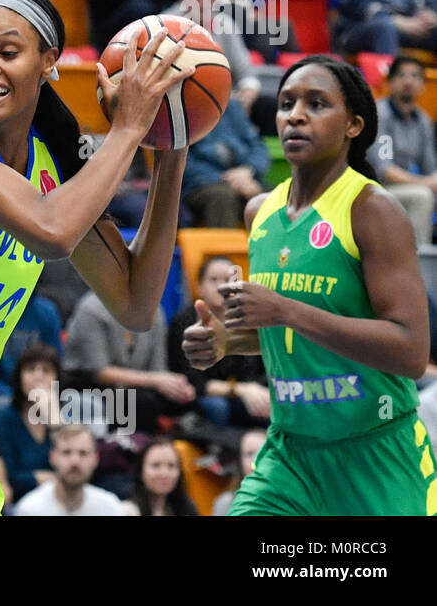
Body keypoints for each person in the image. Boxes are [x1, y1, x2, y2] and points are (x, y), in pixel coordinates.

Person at [0, 0, 195, 515]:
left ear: (49, 62)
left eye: (7, 52)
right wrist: (127, 127)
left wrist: (169, 146)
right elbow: (50, 233)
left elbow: (135, 304)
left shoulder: (51, 165)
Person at [183, 56, 434, 515]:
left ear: (354, 125)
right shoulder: (259, 211)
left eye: (316, 104)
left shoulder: (372, 210)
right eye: (286, 103)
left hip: (375, 454)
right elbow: (286, 334)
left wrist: (284, 311)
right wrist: (228, 340)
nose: (295, 115)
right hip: (290, 456)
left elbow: (411, 352)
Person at [63, 289, 194, 431]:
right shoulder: (91, 309)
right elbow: (99, 371)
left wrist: (177, 386)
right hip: (91, 385)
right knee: (141, 402)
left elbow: (158, 370)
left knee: (188, 399)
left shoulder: (154, 312)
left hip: (139, 386)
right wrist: (156, 380)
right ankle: (135, 448)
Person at [166, 256, 270, 428]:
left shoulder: (249, 320)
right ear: (199, 287)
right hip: (201, 397)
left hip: (245, 394)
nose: (221, 286)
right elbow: (190, 379)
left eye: (228, 280)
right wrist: (240, 390)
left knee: (269, 400)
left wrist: (253, 390)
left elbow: (257, 372)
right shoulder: (184, 321)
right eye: (213, 280)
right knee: (217, 407)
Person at [164, 0, 260, 108]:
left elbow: (247, 75)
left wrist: (247, 94)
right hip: (178, 105)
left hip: (222, 105)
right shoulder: (165, 25)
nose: (203, 4)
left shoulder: (225, 24)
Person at [367, 56, 437, 246]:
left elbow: (430, 167)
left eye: (415, 76)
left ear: (423, 85)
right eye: (402, 75)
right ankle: (420, 264)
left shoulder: (422, 120)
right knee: (422, 195)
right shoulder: (381, 115)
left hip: (405, 185)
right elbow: (385, 170)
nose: (408, 81)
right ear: (390, 82)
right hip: (375, 188)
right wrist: (426, 183)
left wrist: (432, 180)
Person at [180, 81, 270, 228]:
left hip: (245, 178)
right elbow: (183, 163)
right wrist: (231, 180)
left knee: (277, 197)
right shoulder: (182, 108)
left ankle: (277, 251)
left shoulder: (233, 106)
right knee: (222, 197)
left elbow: (258, 146)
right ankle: (223, 252)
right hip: (200, 185)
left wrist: (248, 170)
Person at [0, 343, 62, 501]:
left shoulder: (63, 420)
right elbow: (8, 478)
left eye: (47, 371)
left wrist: (54, 419)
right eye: (30, 370)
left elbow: (74, 469)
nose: (38, 376)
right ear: (19, 377)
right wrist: (40, 479)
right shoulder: (0, 420)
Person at [12, 424, 124, 515]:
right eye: (66, 452)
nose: (75, 461)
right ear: (52, 457)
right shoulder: (30, 509)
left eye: (83, 453)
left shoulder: (110, 508)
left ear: (95, 459)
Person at [121, 437, 197, 515]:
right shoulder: (126, 511)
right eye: (156, 465)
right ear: (140, 471)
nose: (164, 474)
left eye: (171, 465)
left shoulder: (187, 510)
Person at [210, 427, 266, 516]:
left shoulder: (290, 499)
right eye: (249, 454)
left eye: (263, 452)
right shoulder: (226, 503)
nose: (256, 460)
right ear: (239, 462)